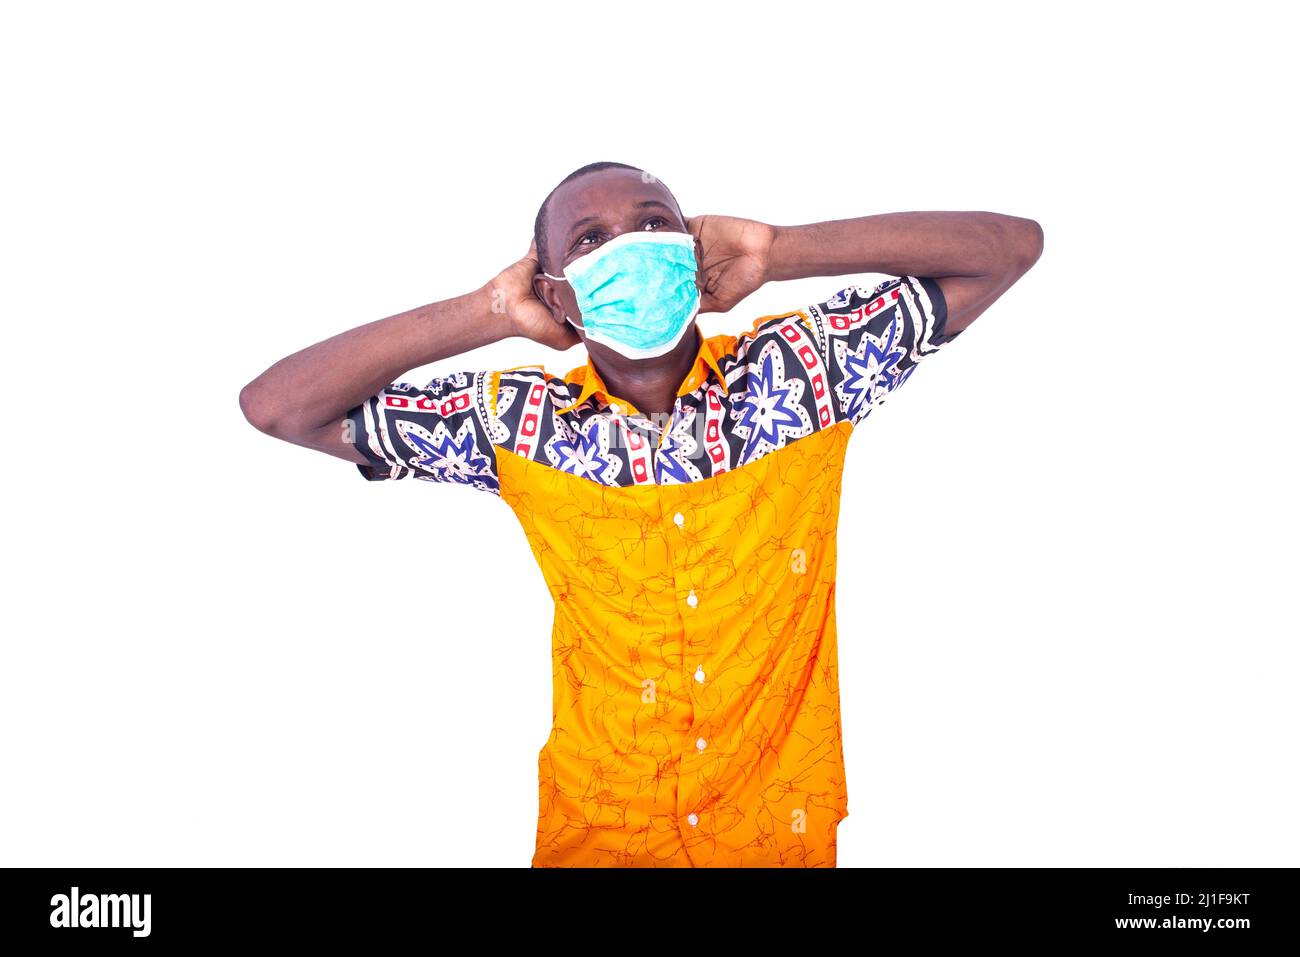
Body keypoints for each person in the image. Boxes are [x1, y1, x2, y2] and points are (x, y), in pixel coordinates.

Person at [239, 161, 1043, 867]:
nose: (628, 247)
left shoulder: (803, 374)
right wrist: (488, 309)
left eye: (654, 224)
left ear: (692, 256)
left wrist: (778, 250)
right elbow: (278, 406)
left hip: (776, 839)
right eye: (589, 241)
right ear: (554, 294)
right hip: (599, 837)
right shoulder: (518, 424)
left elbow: (1009, 250)